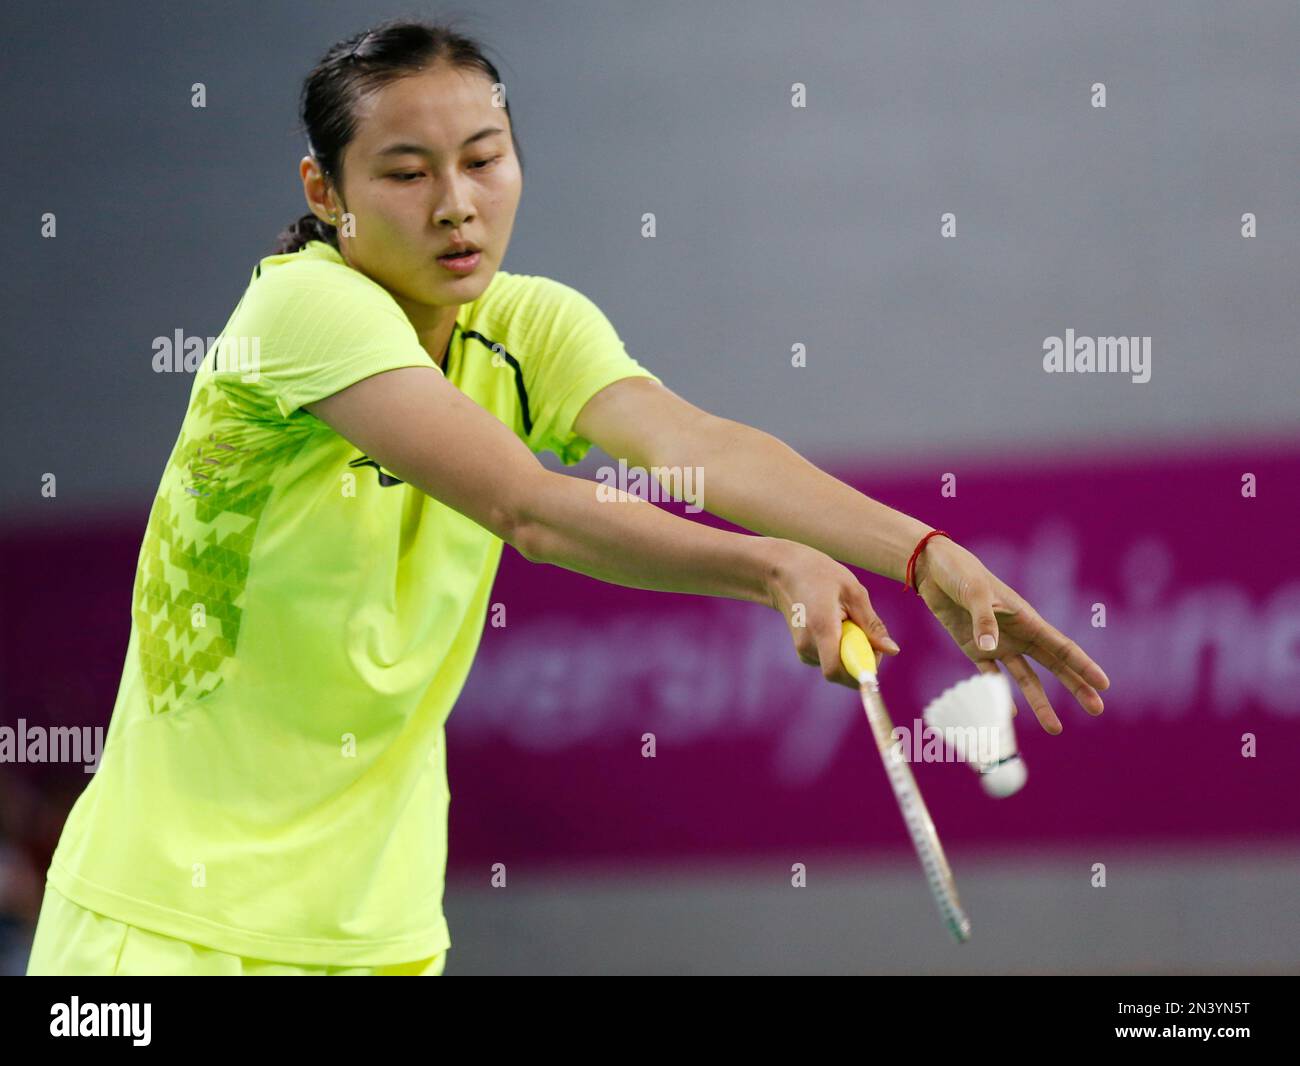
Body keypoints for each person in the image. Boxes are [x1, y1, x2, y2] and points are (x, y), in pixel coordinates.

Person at [27, 18, 1108, 976]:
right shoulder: (301, 311)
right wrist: (769, 567)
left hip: (375, 928)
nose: (456, 205)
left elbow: (700, 448)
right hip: (164, 919)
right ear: (326, 194)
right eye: (405, 173)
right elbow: (527, 509)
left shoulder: (528, 323)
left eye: (482, 159)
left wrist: (923, 555)